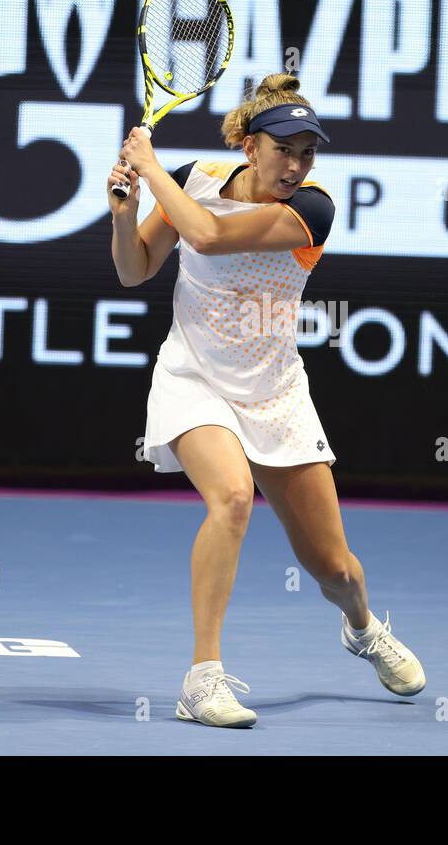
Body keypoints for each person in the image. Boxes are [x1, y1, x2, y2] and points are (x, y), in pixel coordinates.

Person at [108, 73, 425, 728]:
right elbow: (134, 268)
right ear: (251, 147)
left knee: (333, 566)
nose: (298, 164)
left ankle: (362, 627)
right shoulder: (194, 178)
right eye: (286, 149)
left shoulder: (313, 209)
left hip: (275, 393)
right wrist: (123, 211)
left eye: (309, 152)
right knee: (230, 496)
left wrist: (149, 165)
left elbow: (211, 238)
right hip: (193, 377)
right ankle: (202, 680)